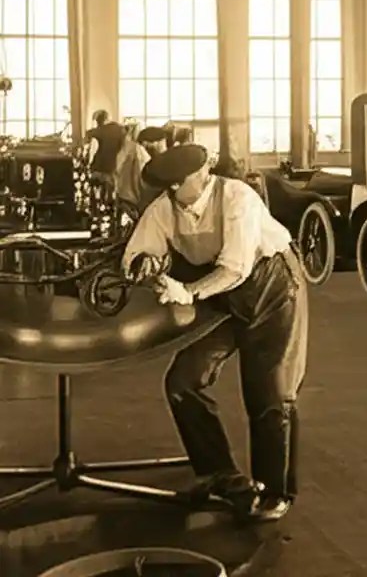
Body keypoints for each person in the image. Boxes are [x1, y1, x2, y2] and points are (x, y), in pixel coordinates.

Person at [121, 144, 308, 522]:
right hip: (221, 300)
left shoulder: (238, 198)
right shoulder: (163, 208)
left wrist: (188, 291)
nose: (173, 192)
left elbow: (236, 268)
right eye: (168, 186)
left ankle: (275, 491)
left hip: (271, 290)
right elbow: (132, 258)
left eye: (179, 183)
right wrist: (147, 266)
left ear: (201, 174)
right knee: (182, 381)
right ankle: (219, 474)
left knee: (270, 393)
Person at [85, 110, 127, 187]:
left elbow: (87, 135)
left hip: (99, 168)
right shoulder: (121, 130)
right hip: (115, 167)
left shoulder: (98, 131)